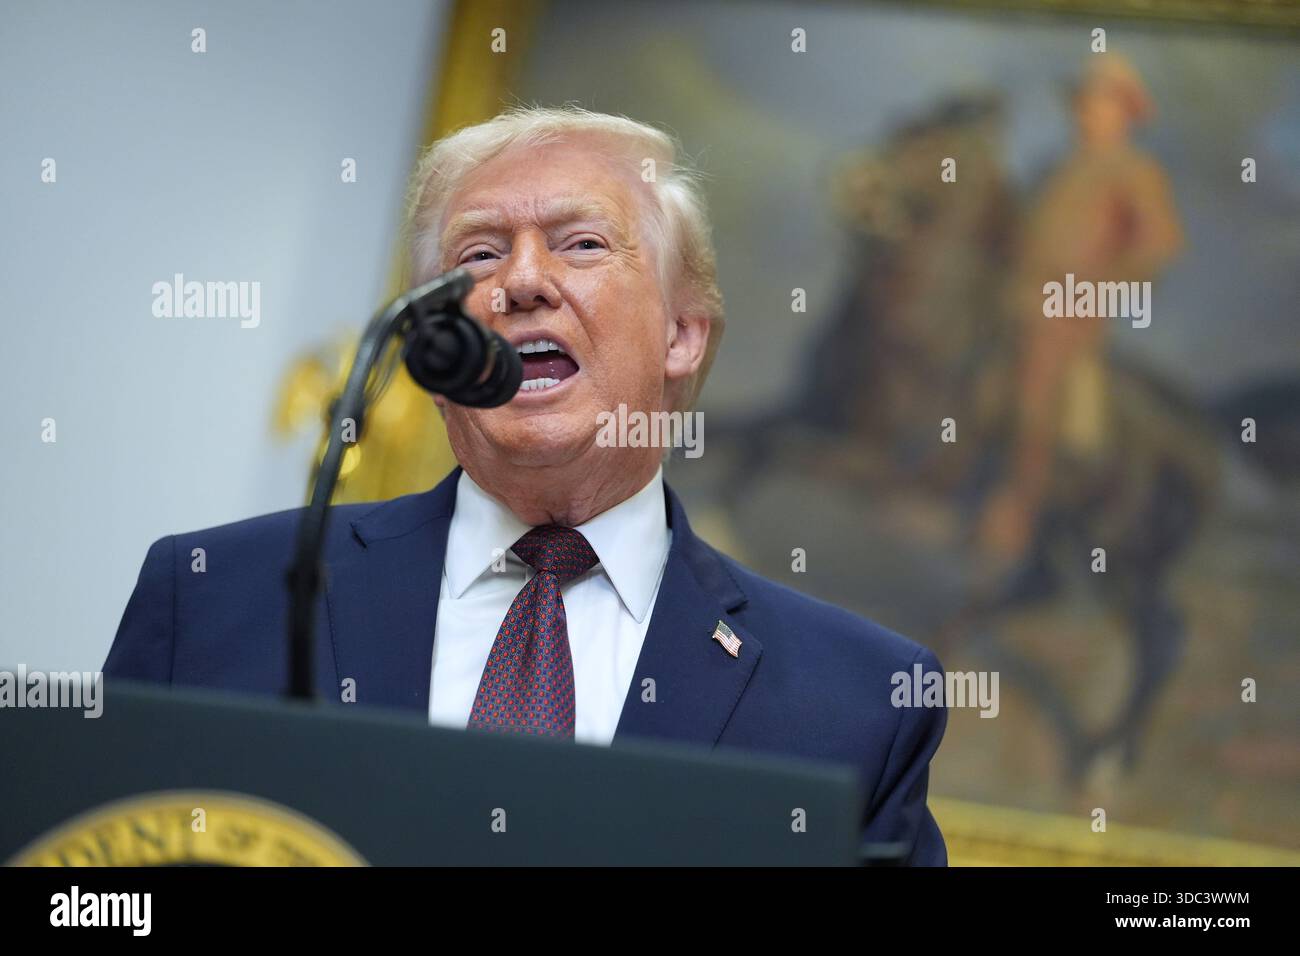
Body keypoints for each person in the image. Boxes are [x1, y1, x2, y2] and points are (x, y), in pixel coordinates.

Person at [105, 106, 948, 864]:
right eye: (479, 253)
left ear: (682, 336)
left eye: (581, 243)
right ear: (435, 353)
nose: (521, 281)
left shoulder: (855, 700)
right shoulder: (213, 602)